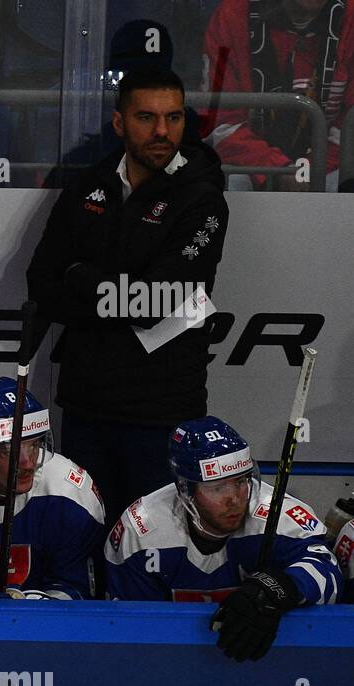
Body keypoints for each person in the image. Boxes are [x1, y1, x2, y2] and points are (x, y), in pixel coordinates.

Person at [26, 68, 230, 527]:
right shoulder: (87, 185)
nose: (162, 131)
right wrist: (117, 295)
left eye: (174, 118)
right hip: (85, 403)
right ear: (119, 123)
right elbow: (41, 282)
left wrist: (81, 278)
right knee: (84, 537)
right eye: (146, 117)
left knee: (149, 543)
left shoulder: (203, 199)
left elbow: (157, 303)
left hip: (161, 408)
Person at [106, 416, 341, 660]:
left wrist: (274, 589)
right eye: (217, 487)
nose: (235, 499)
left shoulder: (278, 516)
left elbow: (329, 571)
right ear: (185, 489)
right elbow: (130, 631)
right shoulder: (142, 530)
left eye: (240, 481)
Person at [0, 378, 107, 599]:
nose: (28, 463)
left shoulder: (69, 493)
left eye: (34, 445)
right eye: (9, 451)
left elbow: (75, 593)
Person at [204, 0, 354, 191]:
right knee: (228, 182)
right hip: (248, 160)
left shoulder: (351, 17)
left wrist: (308, 170)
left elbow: (350, 129)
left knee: (344, 184)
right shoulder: (231, 14)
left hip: (330, 161)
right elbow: (221, 125)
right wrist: (278, 168)